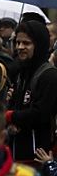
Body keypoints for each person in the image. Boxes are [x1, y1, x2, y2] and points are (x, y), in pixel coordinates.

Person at [6, 20, 57, 163]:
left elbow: (41, 113)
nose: (20, 47)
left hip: (39, 155)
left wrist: (11, 116)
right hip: (17, 151)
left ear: (39, 45)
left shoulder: (49, 75)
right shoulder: (21, 72)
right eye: (18, 42)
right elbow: (17, 104)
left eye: (26, 43)